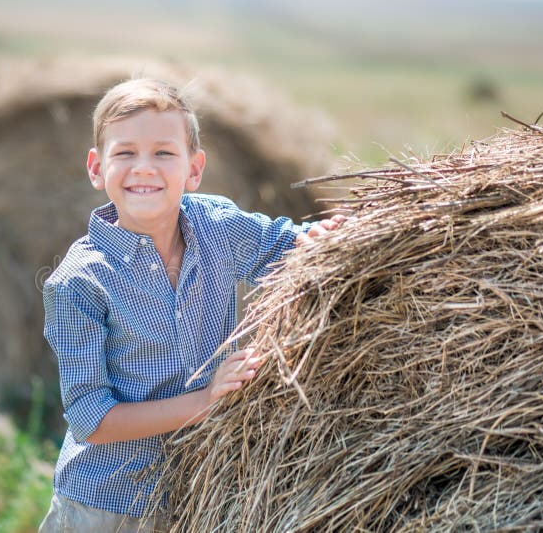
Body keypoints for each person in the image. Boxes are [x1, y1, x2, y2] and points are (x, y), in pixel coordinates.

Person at [39, 78, 344, 532]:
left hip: (199, 490)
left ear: (194, 169)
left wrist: (325, 240)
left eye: (164, 153)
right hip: (106, 505)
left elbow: (283, 246)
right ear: (96, 168)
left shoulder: (216, 227)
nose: (144, 168)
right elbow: (92, 420)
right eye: (125, 153)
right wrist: (205, 401)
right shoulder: (79, 283)